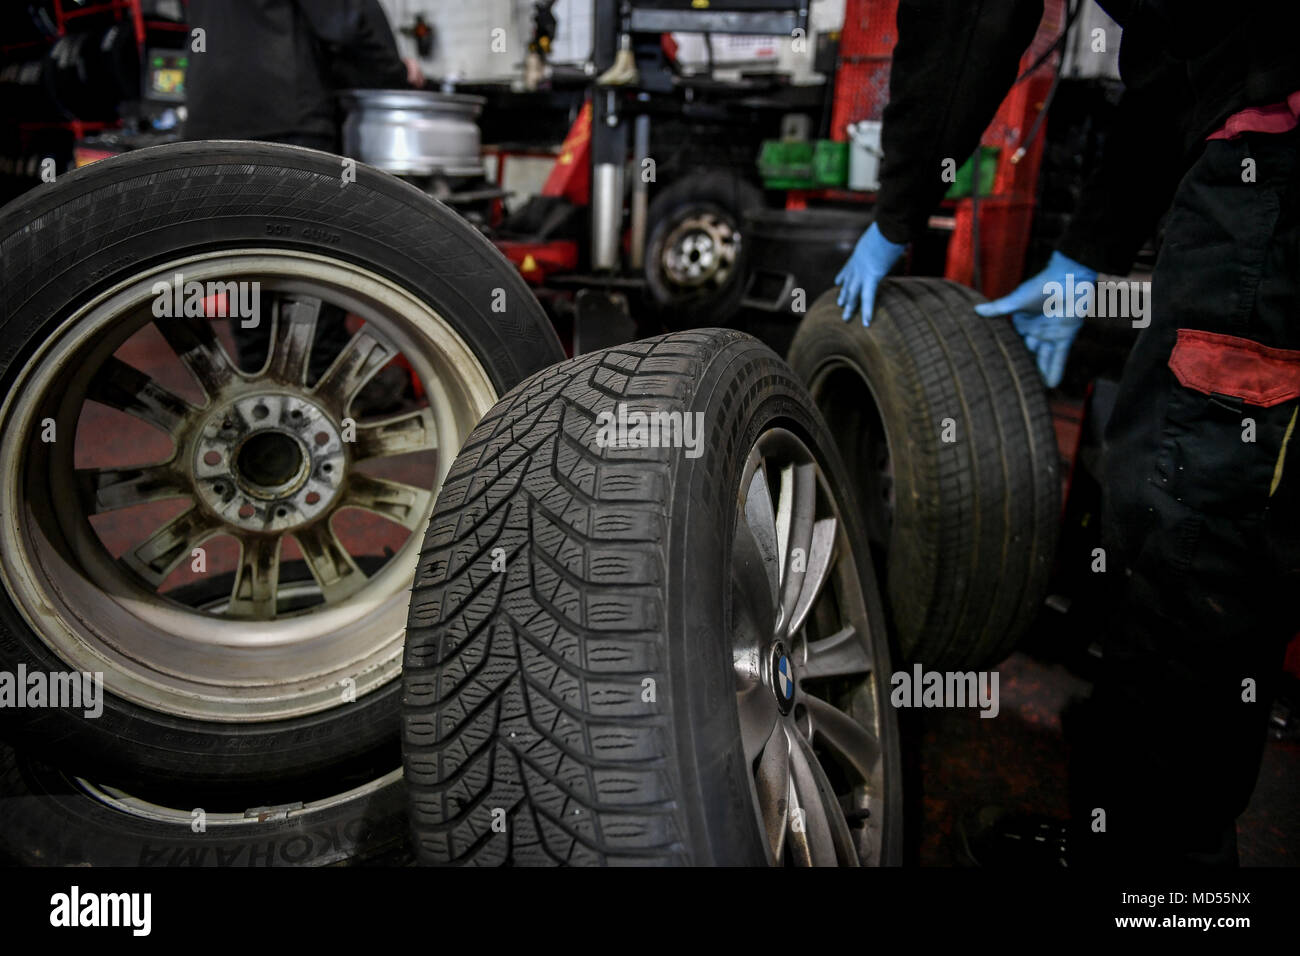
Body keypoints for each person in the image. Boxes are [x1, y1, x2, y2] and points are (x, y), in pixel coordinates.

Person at [836, 0, 1300, 865]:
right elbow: (1177, 65)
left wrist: (896, 215)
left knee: (1188, 533)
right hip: (1261, 142)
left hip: (1274, 166)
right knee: (1229, 522)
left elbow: (971, 15)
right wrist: (1089, 249)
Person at [183, 0, 420, 397]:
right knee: (316, 263)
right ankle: (329, 387)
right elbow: (345, 23)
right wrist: (395, 75)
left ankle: (260, 384)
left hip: (212, 122)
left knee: (250, 265)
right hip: (288, 120)